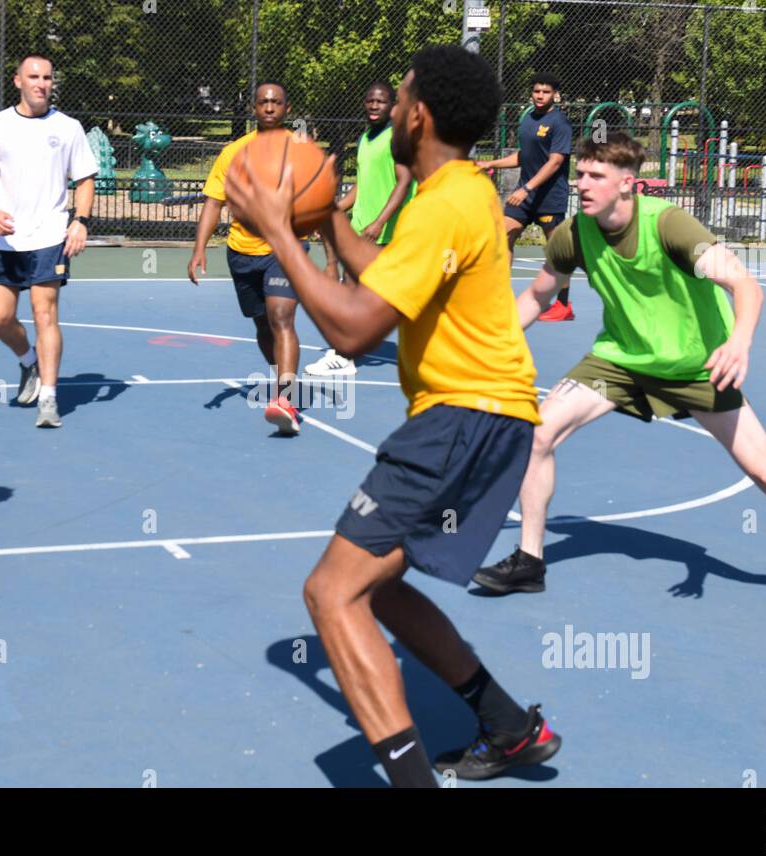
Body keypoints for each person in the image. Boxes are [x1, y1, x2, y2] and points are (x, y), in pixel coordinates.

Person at [225, 45, 561, 786]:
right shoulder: (460, 192)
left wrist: (279, 228)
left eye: (403, 94)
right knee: (377, 587)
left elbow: (352, 328)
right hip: (491, 416)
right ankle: (509, 726)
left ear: (420, 114)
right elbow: (384, 275)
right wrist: (324, 222)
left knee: (330, 591)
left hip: (460, 418)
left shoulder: (445, 203)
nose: (396, 103)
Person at [472, 133, 766, 615]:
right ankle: (529, 562)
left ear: (628, 184)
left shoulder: (670, 225)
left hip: (696, 365)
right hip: (620, 361)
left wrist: (738, 342)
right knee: (537, 434)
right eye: (580, 174)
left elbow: (744, 284)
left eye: (596, 176)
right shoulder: (574, 234)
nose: (582, 184)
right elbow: (537, 297)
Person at [0, 53, 98, 428]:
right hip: (6, 239)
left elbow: (86, 178)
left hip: (49, 236)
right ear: (18, 81)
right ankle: (28, 361)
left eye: (47, 77)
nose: (42, 83)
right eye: (34, 76)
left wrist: (80, 221)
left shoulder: (69, 127)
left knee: (45, 314)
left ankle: (49, 396)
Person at [188, 81, 307, 435]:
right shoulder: (233, 152)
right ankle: (280, 378)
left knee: (281, 317)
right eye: (263, 102)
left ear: (286, 108)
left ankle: (285, 398)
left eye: (276, 102)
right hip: (241, 251)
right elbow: (213, 202)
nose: (269, 107)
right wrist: (199, 249)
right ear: (254, 108)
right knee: (262, 324)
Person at [305, 80, 415, 379]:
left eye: (380, 101)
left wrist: (379, 221)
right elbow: (363, 185)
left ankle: (344, 354)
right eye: (370, 101)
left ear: (393, 106)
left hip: (389, 230)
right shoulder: (366, 138)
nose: (374, 105)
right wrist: (335, 210)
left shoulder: (397, 138)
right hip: (364, 229)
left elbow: (404, 182)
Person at [477, 72, 575, 321]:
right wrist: (490, 164)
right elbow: (524, 156)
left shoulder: (559, 123)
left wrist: (526, 188)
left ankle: (563, 306)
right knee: (503, 235)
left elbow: (555, 162)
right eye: (536, 91)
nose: (540, 95)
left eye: (545, 92)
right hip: (526, 195)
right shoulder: (528, 120)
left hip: (549, 197)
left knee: (557, 251)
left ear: (555, 95)